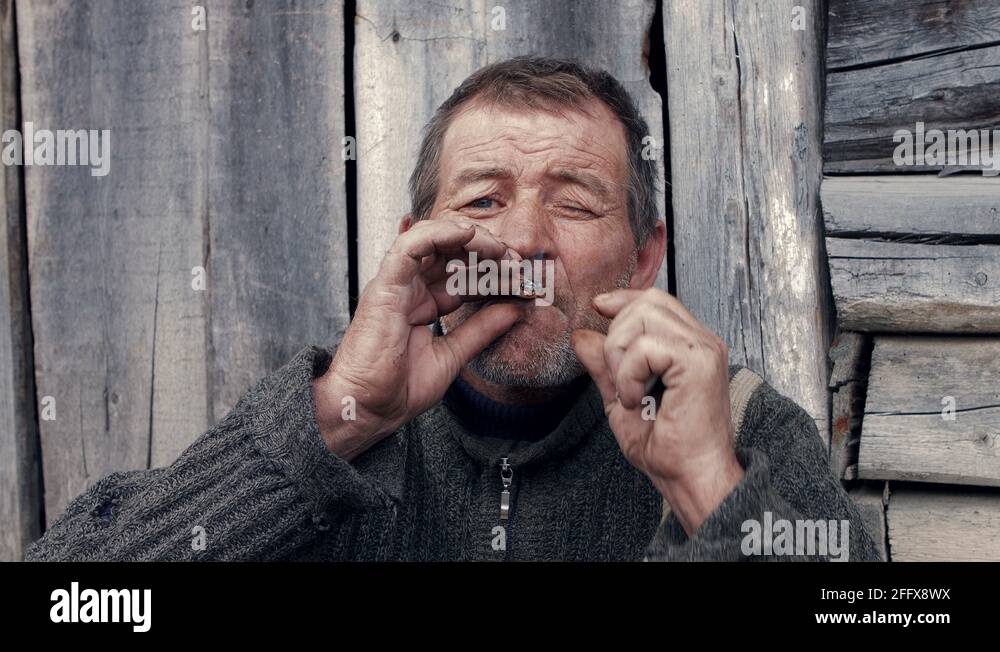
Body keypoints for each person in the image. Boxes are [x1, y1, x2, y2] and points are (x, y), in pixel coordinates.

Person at [26, 57, 880, 562]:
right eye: (480, 201)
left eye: (576, 205)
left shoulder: (744, 429)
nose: (521, 242)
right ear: (418, 241)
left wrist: (705, 486)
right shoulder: (324, 442)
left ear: (645, 256)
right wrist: (330, 426)